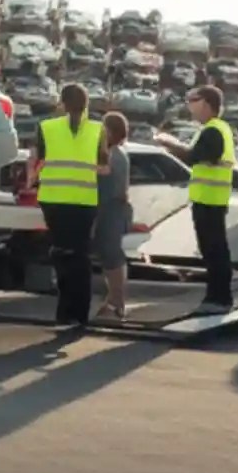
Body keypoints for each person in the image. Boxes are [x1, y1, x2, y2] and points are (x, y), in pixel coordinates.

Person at [33, 83, 109, 326]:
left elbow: (38, 161)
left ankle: (64, 313)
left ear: (62, 103)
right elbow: (104, 167)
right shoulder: (99, 129)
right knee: (80, 256)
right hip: (84, 200)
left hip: (54, 199)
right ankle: (79, 314)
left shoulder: (47, 127)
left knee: (62, 254)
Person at [155, 85, 235, 314]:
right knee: (213, 249)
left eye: (194, 100)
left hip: (210, 201)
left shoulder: (213, 130)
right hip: (210, 199)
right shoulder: (214, 129)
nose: (190, 105)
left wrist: (169, 143)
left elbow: (194, 156)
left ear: (207, 103)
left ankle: (218, 299)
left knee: (214, 250)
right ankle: (217, 297)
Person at [93, 112, 132, 319]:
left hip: (113, 210)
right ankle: (114, 301)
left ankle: (117, 302)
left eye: (104, 128)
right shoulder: (111, 152)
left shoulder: (116, 155)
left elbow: (102, 171)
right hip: (107, 209)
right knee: (108, 256)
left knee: (111, 255)